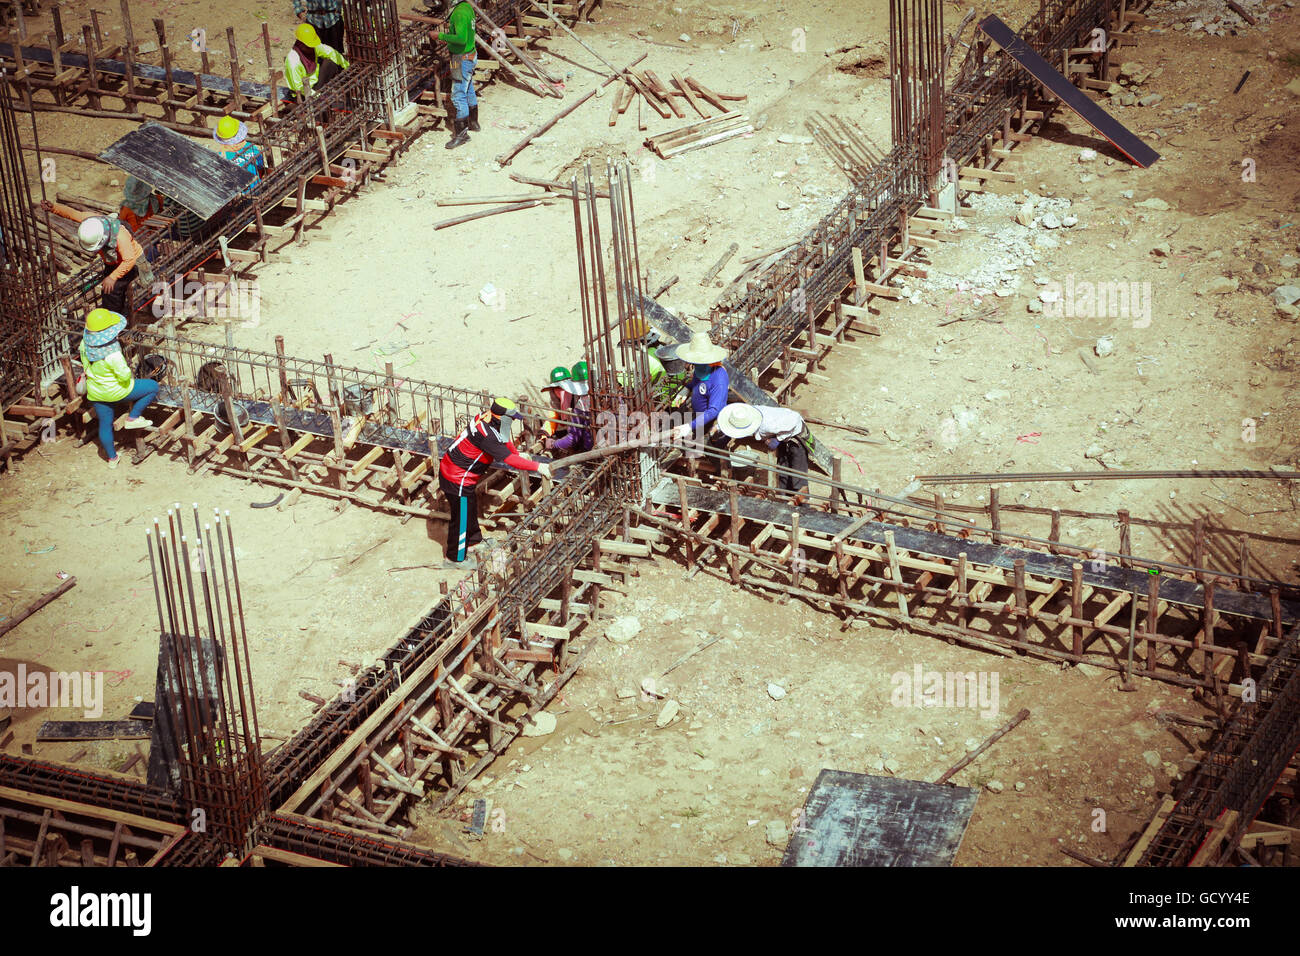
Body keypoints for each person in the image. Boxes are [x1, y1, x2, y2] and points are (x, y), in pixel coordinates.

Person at [438, 397, 551, 568]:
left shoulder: (486, 417)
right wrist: (537, 466)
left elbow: (504, 438)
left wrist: (517, 453)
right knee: (460, 517)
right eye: (511, 418)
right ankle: (454, 558)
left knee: (470, 507)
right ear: (501, 417)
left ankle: (474, 542)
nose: (512, 421)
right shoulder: (487, 436)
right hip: (456, 478)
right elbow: (508, 460)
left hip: (460, 474)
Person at [78, 308, 158, 468]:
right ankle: (133, 417)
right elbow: (124, 376)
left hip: (97, 392)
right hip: (118, 391)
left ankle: (112, 459)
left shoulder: (84, 345)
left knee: (105, 424)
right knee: (152, 387)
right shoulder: (113, 353)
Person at [41, 198, 143, 314]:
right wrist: (54, 207)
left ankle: (114, 318)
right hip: (113, 261)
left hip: (132, 263)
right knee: (108, 286)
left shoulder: (120, 236)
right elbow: (73, 214)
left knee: (112, 291)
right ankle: (115, 310)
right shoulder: (92, 222)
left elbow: (129, 260)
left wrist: (112, 277)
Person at [716, 402, 810, 503]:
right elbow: (731, 424)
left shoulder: (767, 425)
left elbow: (795, 419)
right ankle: (785, 504)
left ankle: (804, 508)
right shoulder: (743, 415)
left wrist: (778, 439)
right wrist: (719, 431)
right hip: (782, 436)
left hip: (795, 437)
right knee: (783, 474)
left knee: (798, 477)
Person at [671, 332, 730, 456]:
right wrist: (686, 389)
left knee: (714, 450)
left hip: (713, 419)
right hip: (699, 414)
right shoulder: (700, 369)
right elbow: (696, 382)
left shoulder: (718, 379)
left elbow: (714, 410)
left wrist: (688, 426)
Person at [431, 0, 479, 149]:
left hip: (460, 58)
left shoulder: (458, 13)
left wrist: (440, 36)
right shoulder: (467, 7)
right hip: (470, 55)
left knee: (458, 94)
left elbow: (461, 39)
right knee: (468, 87)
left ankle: (461, 135)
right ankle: (473, 122)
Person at [284, 22, 349, 101]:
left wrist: (346, 66)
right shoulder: (293, 61)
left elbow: (330, 52)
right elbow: (299, 88)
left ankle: (321, 92)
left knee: (330, 63)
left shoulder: (312, 48)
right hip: (302, 93)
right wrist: (318, 96)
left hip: (315, 84)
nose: (312, 49)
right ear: (301, 44)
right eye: (309, 47)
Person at [546, 361, 593, 456]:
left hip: (593, 449)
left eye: (563, 388)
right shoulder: (609, 396)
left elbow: (573, 437)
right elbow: (552, 419)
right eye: (558, 389)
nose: (562, 393)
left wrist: (553, 444)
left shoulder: (581, 404)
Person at [213, 116, 266, 194]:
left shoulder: (222, 156)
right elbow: (261, 167)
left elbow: (224, 180)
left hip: (240, 194)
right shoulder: (251, 147)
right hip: (257, 187)